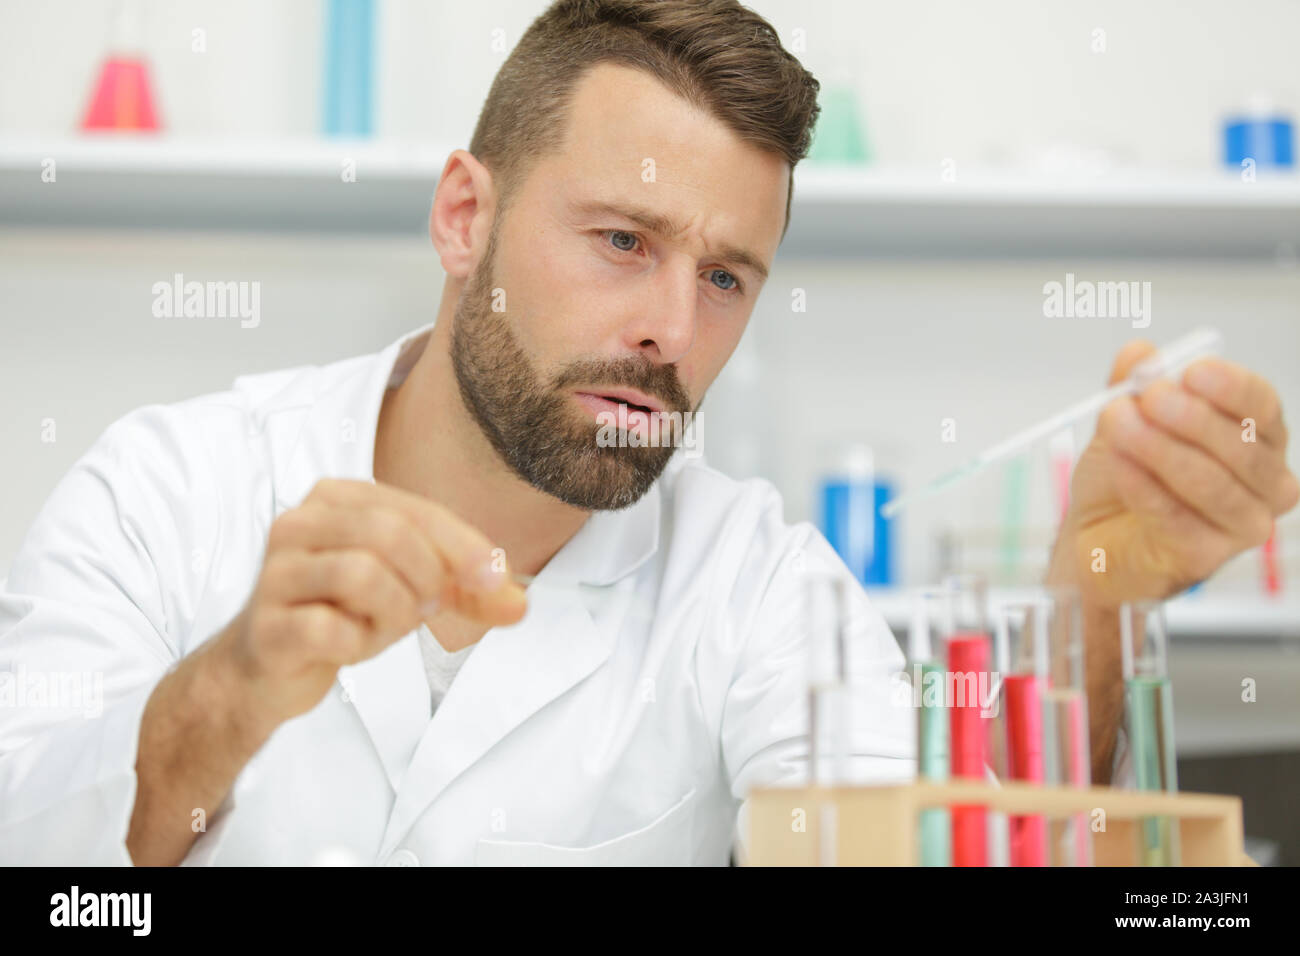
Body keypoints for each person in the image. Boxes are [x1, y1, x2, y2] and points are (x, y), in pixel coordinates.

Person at [2, 0, 1296, 866]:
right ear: (465, 217)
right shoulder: (165, 490)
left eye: (726, 277)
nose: (674, 329)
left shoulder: (758, 588)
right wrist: (224, 697)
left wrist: (1095, 600)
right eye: (623, 241)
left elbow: (902, 856)